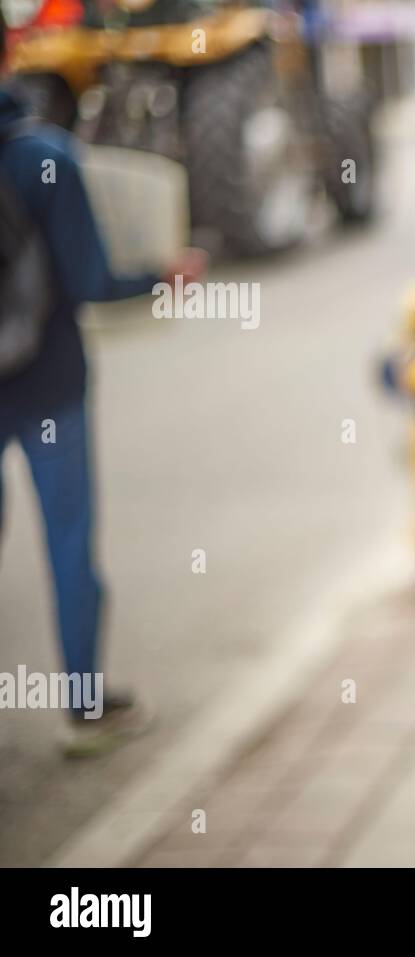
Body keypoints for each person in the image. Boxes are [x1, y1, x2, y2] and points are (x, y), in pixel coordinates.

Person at [0, 14, 206, 757]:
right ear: (11, 49)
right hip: (50, 383)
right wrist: (164, 273)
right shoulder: (43, 158)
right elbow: (91, 281)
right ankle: (84, 710)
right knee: (68, 541)